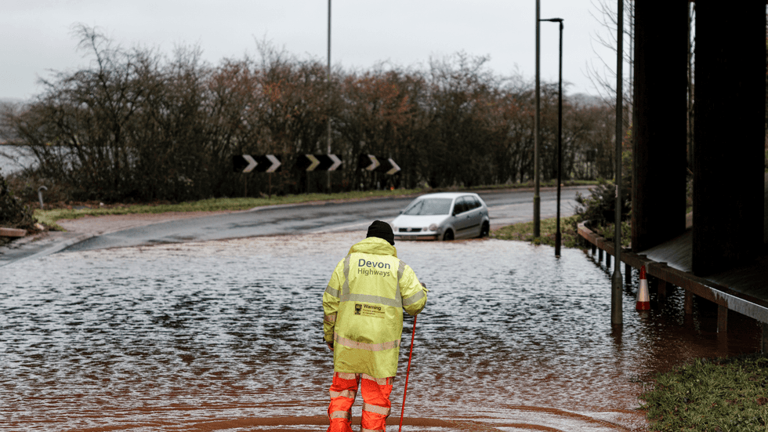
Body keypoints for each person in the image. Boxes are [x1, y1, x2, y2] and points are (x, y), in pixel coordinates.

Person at [322, 220, 428, 432]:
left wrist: (330, 338)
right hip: (380, 352)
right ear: (390, 242)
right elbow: (415, 305)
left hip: (347, 347)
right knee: (375, 403)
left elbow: (329, 303)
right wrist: (422, 290)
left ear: (367, 239)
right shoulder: (399, 268)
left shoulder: (347, 263)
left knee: (341, 398)